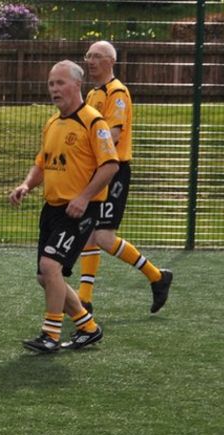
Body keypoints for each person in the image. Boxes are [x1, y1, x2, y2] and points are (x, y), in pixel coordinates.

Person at [9, 60, 119, 353]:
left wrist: (83, 197)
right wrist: (25, 185)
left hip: (80, 210)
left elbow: (110, 166)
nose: (54, 89)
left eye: (60, 83)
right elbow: (42, 163)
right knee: (44, 277)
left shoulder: (93, 121)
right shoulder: (52, 123)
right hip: (53, 209)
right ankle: (87, 327)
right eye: (51, 84)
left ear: (77, 85)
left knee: (50, 266)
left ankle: (51, 334)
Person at [77, 40, 172, 315]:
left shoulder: (116, 92)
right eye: (88, 56)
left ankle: (157, 277)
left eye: (97, 56)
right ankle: (84, 300)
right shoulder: (94, 93)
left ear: (111, 62)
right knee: (89, 235)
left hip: (114, 171)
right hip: (97, 170)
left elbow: (113, 135)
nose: (90, 61)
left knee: (103, 237)